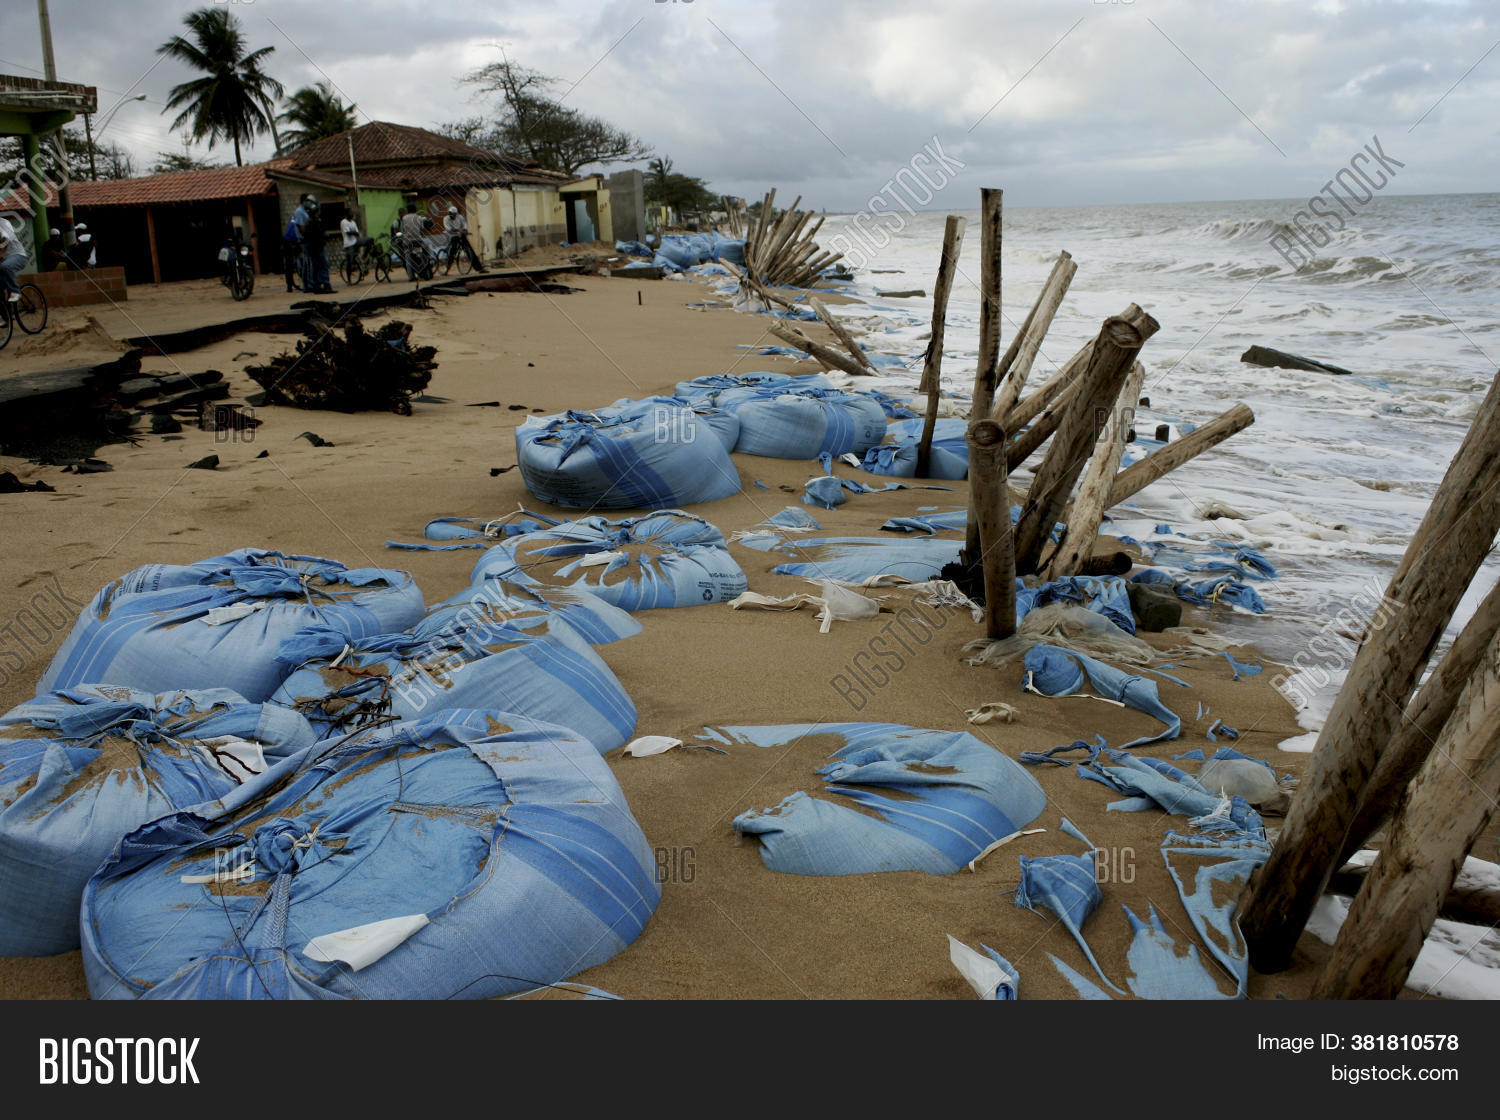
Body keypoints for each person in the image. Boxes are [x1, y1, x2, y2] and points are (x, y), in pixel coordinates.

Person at [299, 195, 335, 294]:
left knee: (316, 267)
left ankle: (317, 285)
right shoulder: (315, 222)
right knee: (323, 266)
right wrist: (324, 237)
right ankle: (326, 285)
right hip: (317, 248)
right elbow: (319, 235)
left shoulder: (309, 223)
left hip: (312, 248)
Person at [397, 203, 432, 281]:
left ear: (407, 210)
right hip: (418, 240)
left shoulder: (404, 218)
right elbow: (422, 228)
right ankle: (428, 268)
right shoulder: (419, 218)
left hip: (408, 241)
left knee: (408, 258)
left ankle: (411, 277)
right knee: (425, 254)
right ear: (415, 210)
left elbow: (402, 230)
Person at [443, 204, 481, 271]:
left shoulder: (460, 217)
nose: (453, 216)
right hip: (451, 235)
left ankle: (479, 268)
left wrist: (465, 230)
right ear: (449, 213)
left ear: (456, 213)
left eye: (454, 214)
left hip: (460, 234)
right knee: (453, 250)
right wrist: (458, 230)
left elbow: (464, 224)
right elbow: (448, 228)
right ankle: (448, 267)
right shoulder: (446, 219)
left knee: (469, 249)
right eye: (452, 214)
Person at [0, 217, 28, 303]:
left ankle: (15, 291)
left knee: (5, 266)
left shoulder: (3, 222)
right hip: (2, 259)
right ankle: (6, 314)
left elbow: (5, 240)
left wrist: (1, 254)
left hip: (18, 255)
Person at [282, 207, 304, 292]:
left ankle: (289, 286)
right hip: (293, 241)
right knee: (293, 262)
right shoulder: (301, 218)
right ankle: (302, 281)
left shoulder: (293, 217)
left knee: (288, 265)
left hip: (287, 241)